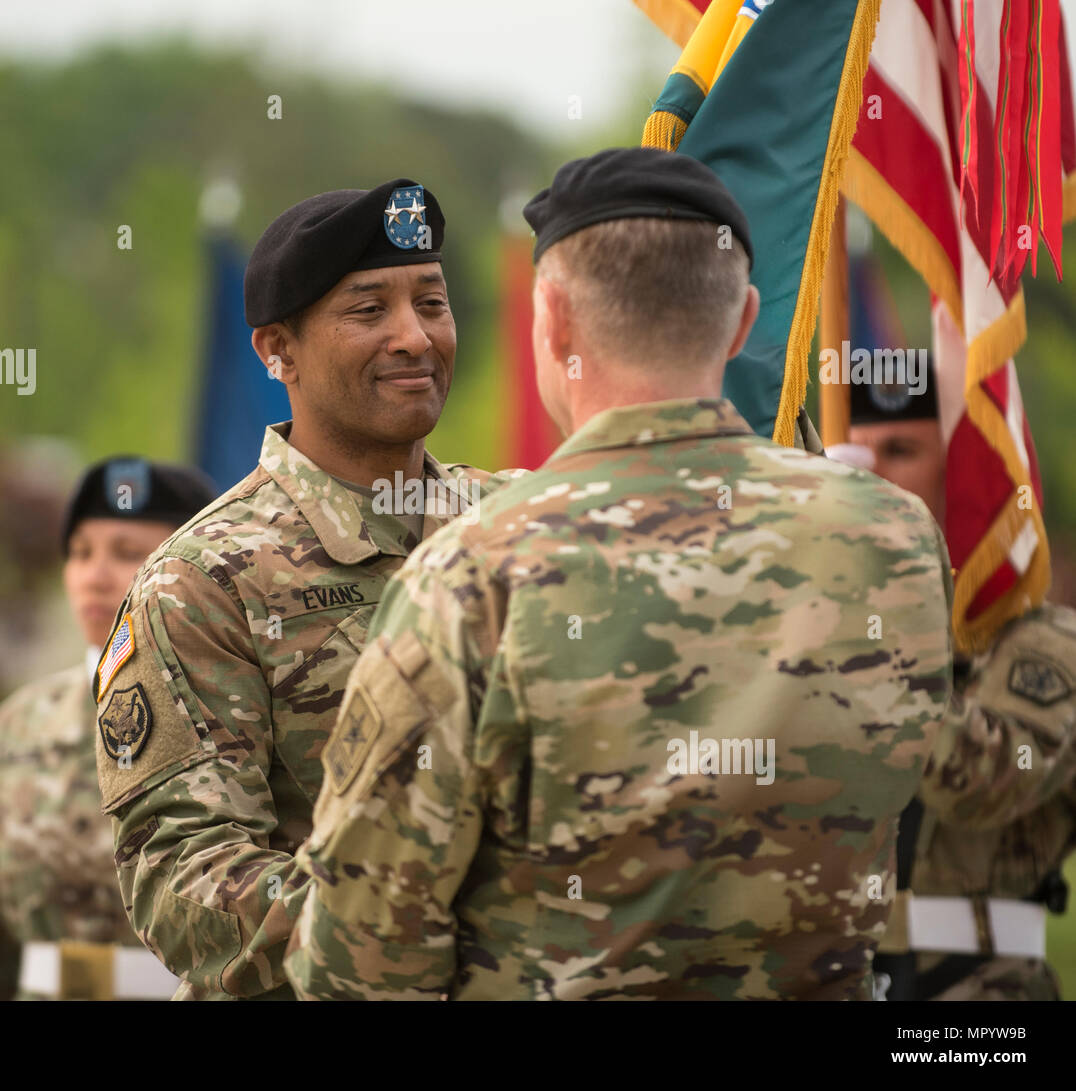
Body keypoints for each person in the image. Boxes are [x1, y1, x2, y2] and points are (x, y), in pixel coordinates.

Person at [284, 147, 957, 1000]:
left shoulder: (471, 568)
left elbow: (359, 956)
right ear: (746, 321)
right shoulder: (894, 536)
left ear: (554, 321)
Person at [93, 178, 515, 1000]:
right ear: (276, 350)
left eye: (432, 302)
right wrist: (433, 941)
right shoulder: (202, 581)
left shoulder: (517, 525)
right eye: (368, 311)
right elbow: (184, 876)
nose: (414, 338)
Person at [844, 373, 1076, 1001]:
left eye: (899, 452)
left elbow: (977, 784)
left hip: (980, 998)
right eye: (853, 453)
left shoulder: (1043, 645)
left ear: (969, 479)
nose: (869, 476)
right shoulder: (823, 630)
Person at [0, 456, 214, 1000]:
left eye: (127, 553)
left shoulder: (237, 717)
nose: (95, 576)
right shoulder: (19, 724)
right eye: (80, 553)